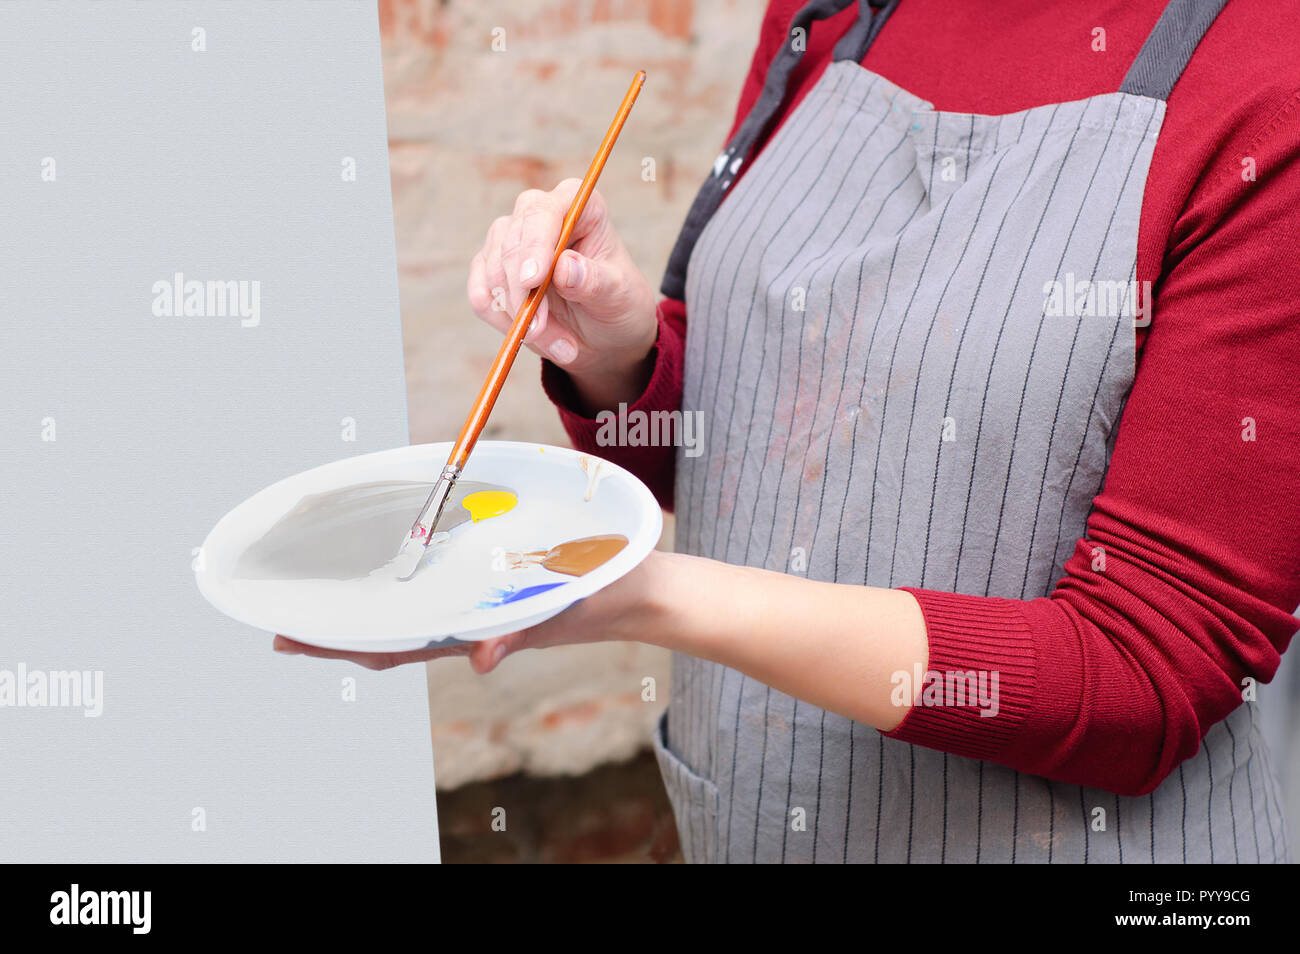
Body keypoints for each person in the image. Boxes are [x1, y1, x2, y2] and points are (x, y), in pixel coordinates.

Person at [277, 0, 1300, 863]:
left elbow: (1145, 671)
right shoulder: (833, 13)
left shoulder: (1269, 75)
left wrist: (642, 594)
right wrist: (622, 355)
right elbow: (755, 449)